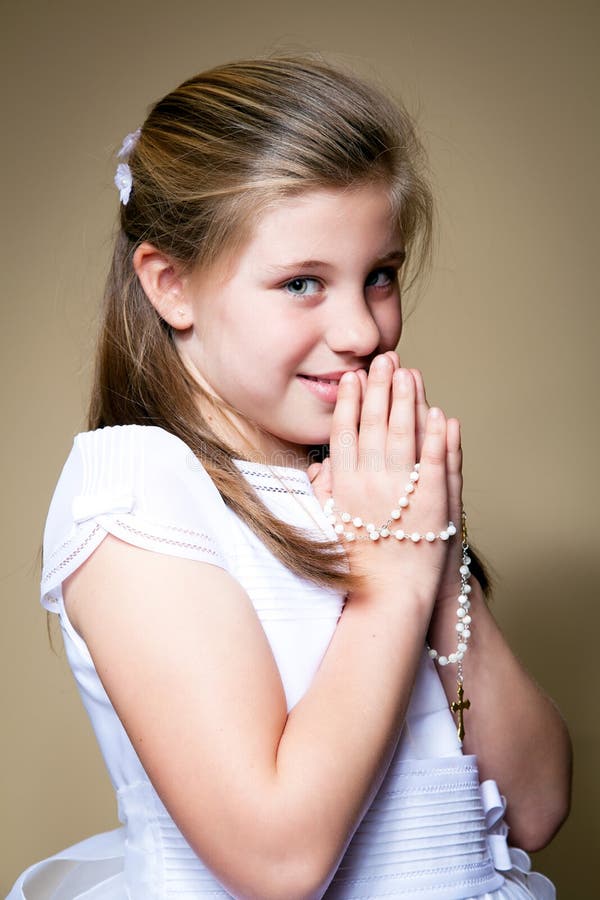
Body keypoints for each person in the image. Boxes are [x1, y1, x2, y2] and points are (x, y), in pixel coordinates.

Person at [9, 55, 571, 900]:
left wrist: (436, 547)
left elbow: (536, 807)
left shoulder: (370, 489)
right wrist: (391, 581)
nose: (362, 330)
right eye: (303, 283)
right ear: (171, 285)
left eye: (380, 275)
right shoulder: (137, 494)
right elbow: (278, 860)